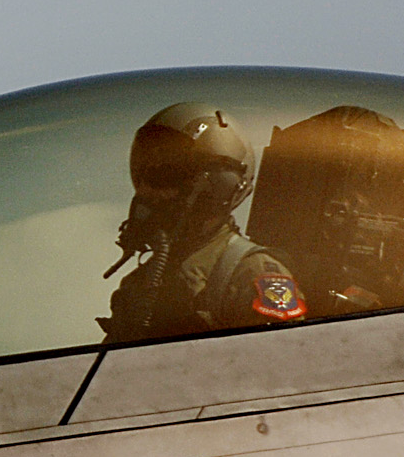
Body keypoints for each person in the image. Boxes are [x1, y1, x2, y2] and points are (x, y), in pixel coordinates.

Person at [99, 103, 306, 344]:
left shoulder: (252, 273)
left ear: (219, 185)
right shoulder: (138, 285)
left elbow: (287, 366)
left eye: (163, 175)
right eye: (142, 174)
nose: (145, 190)